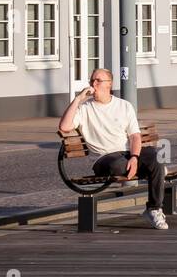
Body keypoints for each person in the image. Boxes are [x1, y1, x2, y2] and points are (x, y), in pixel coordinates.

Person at [57, 68, 169, 230]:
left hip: (126, 155)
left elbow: (135, 137)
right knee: (118, 166)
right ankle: (154, 172)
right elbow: (64, 126)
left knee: (157, 155)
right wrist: (78, 99)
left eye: (98, 80)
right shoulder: (85, 109)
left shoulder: (124, 106)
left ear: (109, 84)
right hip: (104, 159)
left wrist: (134, 158)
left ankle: (153, 209)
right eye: (92, 81)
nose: (93, 84)